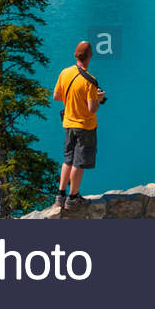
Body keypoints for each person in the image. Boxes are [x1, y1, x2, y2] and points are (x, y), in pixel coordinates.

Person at [53, 41, 106, 212]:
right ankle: (73, 197)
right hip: (85, 127)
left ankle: (60, 195)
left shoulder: (65, 73)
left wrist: (73, 100)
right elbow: (91, 109)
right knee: (79, 162)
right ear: (90, 56)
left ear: (76, 55)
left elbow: (56, 96)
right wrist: (98, 99)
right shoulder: (90, 81)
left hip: (68, 123)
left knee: (67, 159)